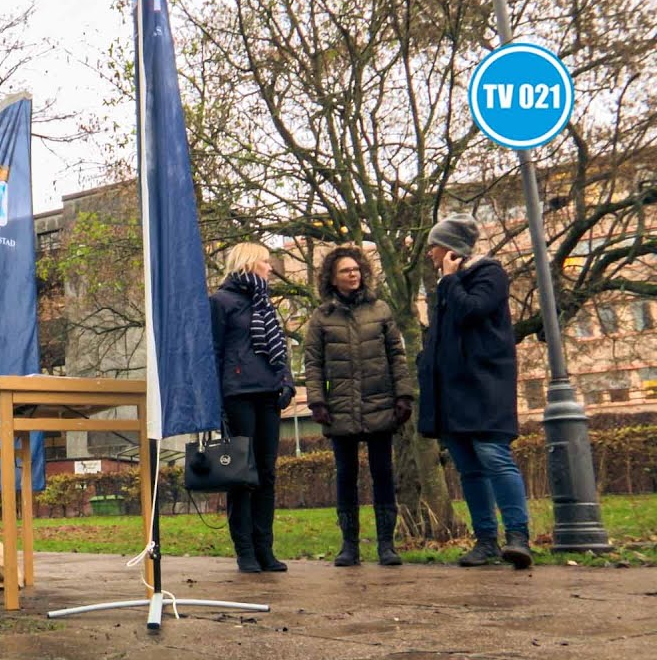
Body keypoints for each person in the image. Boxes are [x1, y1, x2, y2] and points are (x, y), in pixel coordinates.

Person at [417, 213, 534, 569]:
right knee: (469, 468)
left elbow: (473, 311)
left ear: (451, 249)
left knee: (494, 457)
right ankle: (485, 541)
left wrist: (451, 280)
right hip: (452, 393)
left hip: (484, 387)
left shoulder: (489, 274)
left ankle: (518, 536)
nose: (430, 253)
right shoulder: (446, 285)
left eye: (434, 246)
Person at [303, 246, 413, 567]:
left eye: (355, 269)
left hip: (379, 402)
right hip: (340, 407)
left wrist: (403, 395)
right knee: (345, 475)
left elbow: (397, 356)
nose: (353, 274)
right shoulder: (321, 317)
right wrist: (317, 401)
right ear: (332, 278)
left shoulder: (380, 310)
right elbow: (313, 363)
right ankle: (349, 546)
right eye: (345, 271)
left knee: (383, 473)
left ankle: (386, 545)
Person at [210, 242, 295, 573]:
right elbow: (214, 352)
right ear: (248, 264)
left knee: (267, 474)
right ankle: (244, 550)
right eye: (265, 262)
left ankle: (265, 549)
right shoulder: (221, 302)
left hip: (268, 394)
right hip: (238, 395)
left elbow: (279, 349)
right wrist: (217, 401)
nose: (270, 267)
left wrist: (286, 382)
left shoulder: (265, 302)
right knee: (242, 474)